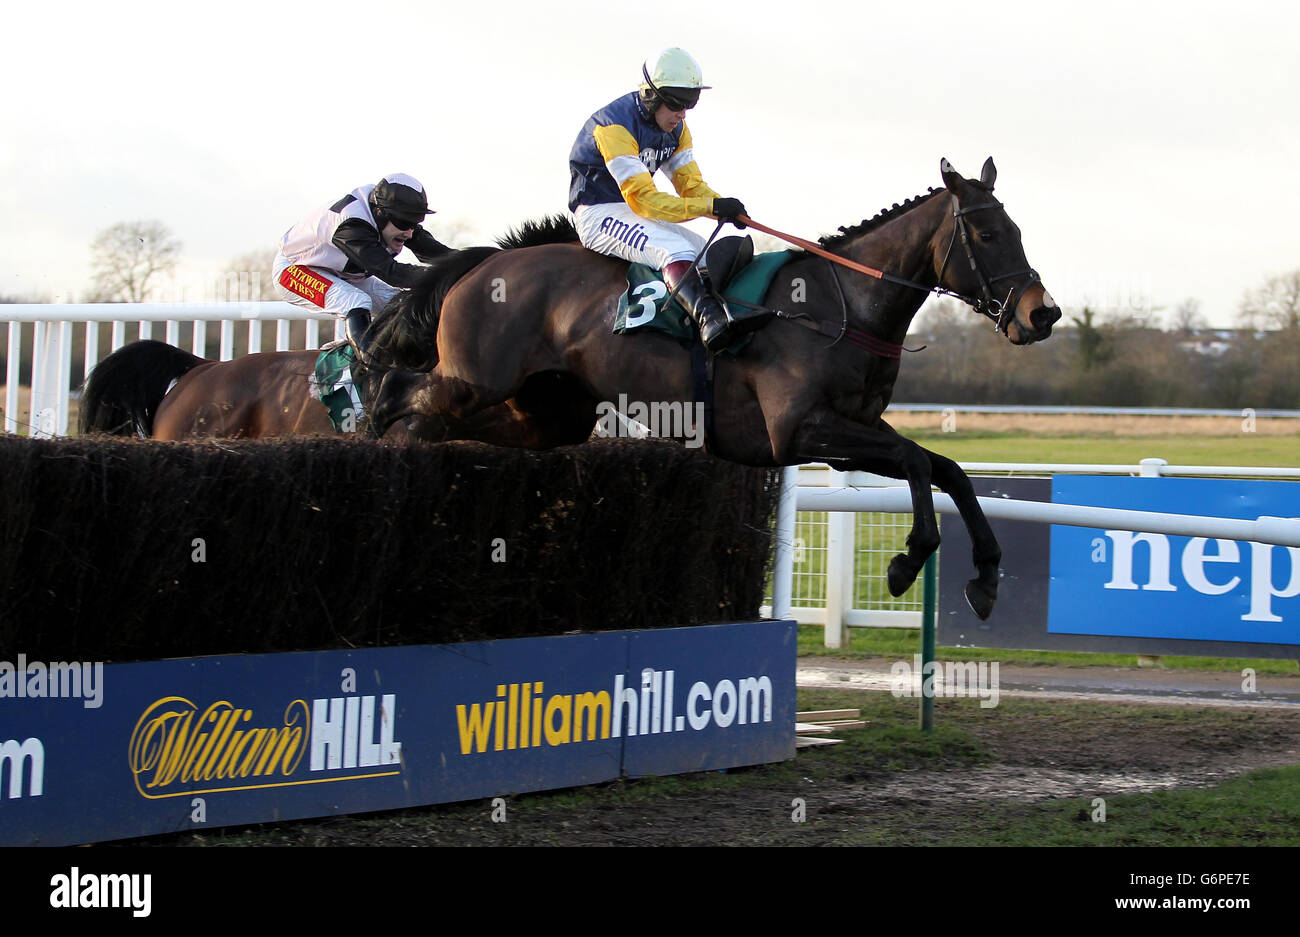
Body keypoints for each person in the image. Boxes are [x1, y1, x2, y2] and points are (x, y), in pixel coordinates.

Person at [568, 47, 758, 353]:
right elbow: (645, 200)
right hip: (598, 214)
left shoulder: (677, 129)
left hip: (633, 213)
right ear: (651, 96)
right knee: (676, 249)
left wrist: (723, 206)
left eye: (688, 106)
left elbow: (691, 186)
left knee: (708, 254)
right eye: (675, 105)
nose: (681, 114)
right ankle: (709, 321)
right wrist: (710, 208)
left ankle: (728, 313)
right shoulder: (614, 128)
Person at [273, 173, 452, 362]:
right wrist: (442, 277)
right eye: (404, 223)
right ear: (380, 213)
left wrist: (477, 263)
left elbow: (440, 255)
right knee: (356, 302)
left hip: (339, 272)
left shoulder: (391, 215)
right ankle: (369, 366)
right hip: (294, 270)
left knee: (401, 303)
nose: (409, 232)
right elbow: (391, 272)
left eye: (415, 223)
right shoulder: (352, 225)